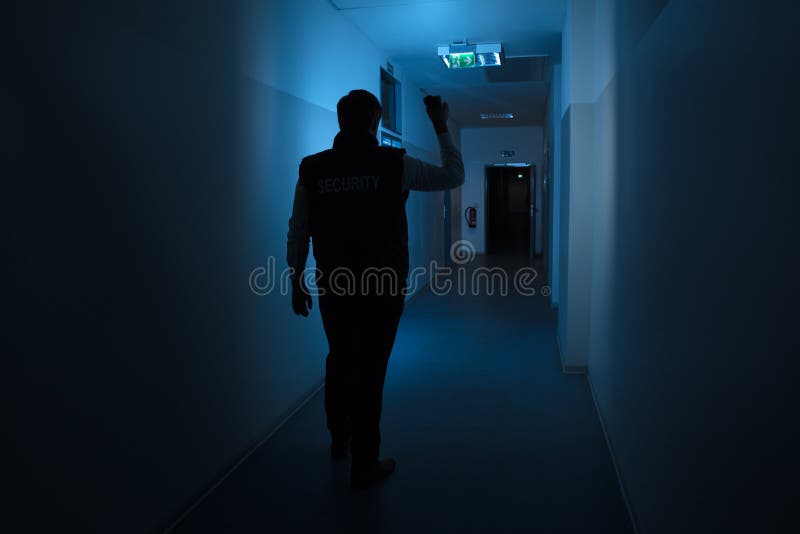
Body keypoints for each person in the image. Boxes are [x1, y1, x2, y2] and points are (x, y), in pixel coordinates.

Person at [286, 89, 464, 489]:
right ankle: (364, 463)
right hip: (383, 287)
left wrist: (296, 278)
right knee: (370, 371)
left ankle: (339, 436)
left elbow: (298, 228)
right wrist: (440, 126)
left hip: (334, 285)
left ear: (339, 121)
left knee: (340, 359)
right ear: (376, 120)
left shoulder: (313, 168)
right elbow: (454, 176)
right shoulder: (393, 165)